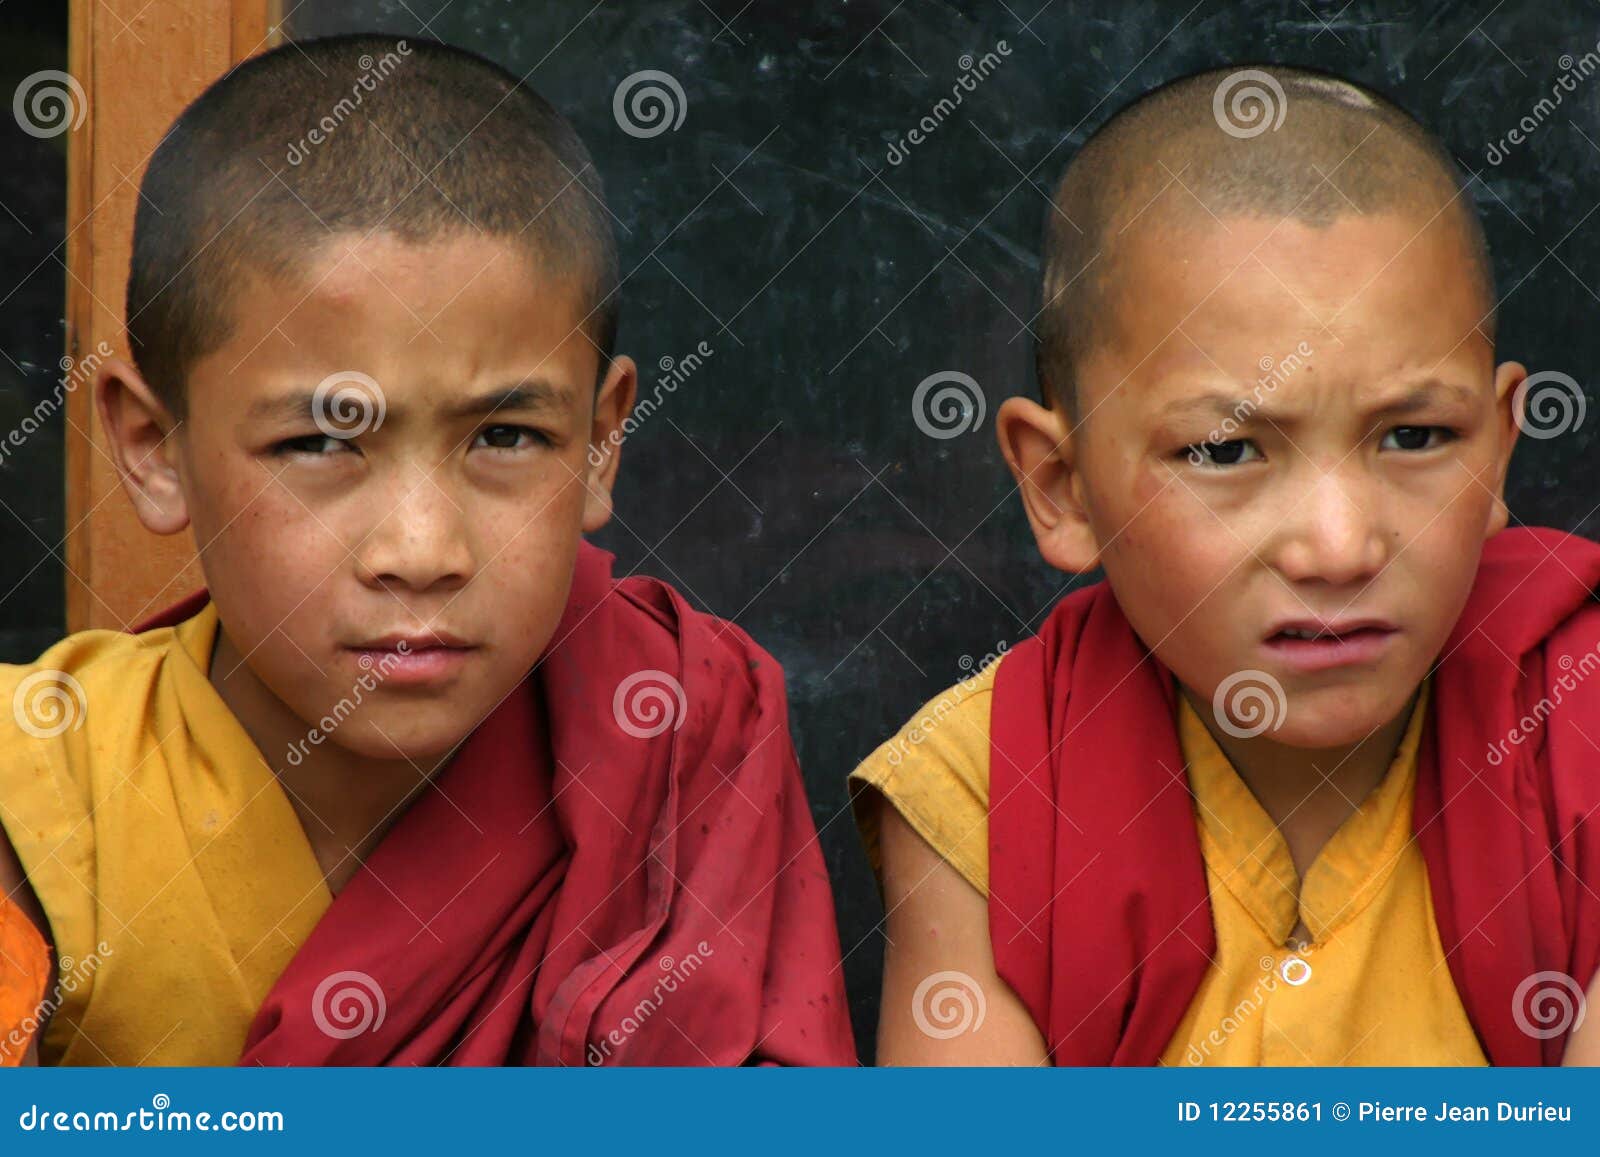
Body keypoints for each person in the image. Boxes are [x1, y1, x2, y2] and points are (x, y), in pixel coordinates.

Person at [0, 33, 855, 1067]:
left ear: (600, 438)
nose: (421, 548)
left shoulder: (676, 733)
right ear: (152, 445)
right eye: (318, 440)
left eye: (504, 437)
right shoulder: (40, 795)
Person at [851, 64, 1600, 1066]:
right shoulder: (983, 788)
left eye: (1415, 436)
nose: (1339, 547)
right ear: (1062, 486)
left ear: (1502, 446)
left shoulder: (1574, 731)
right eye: (1224, 451)